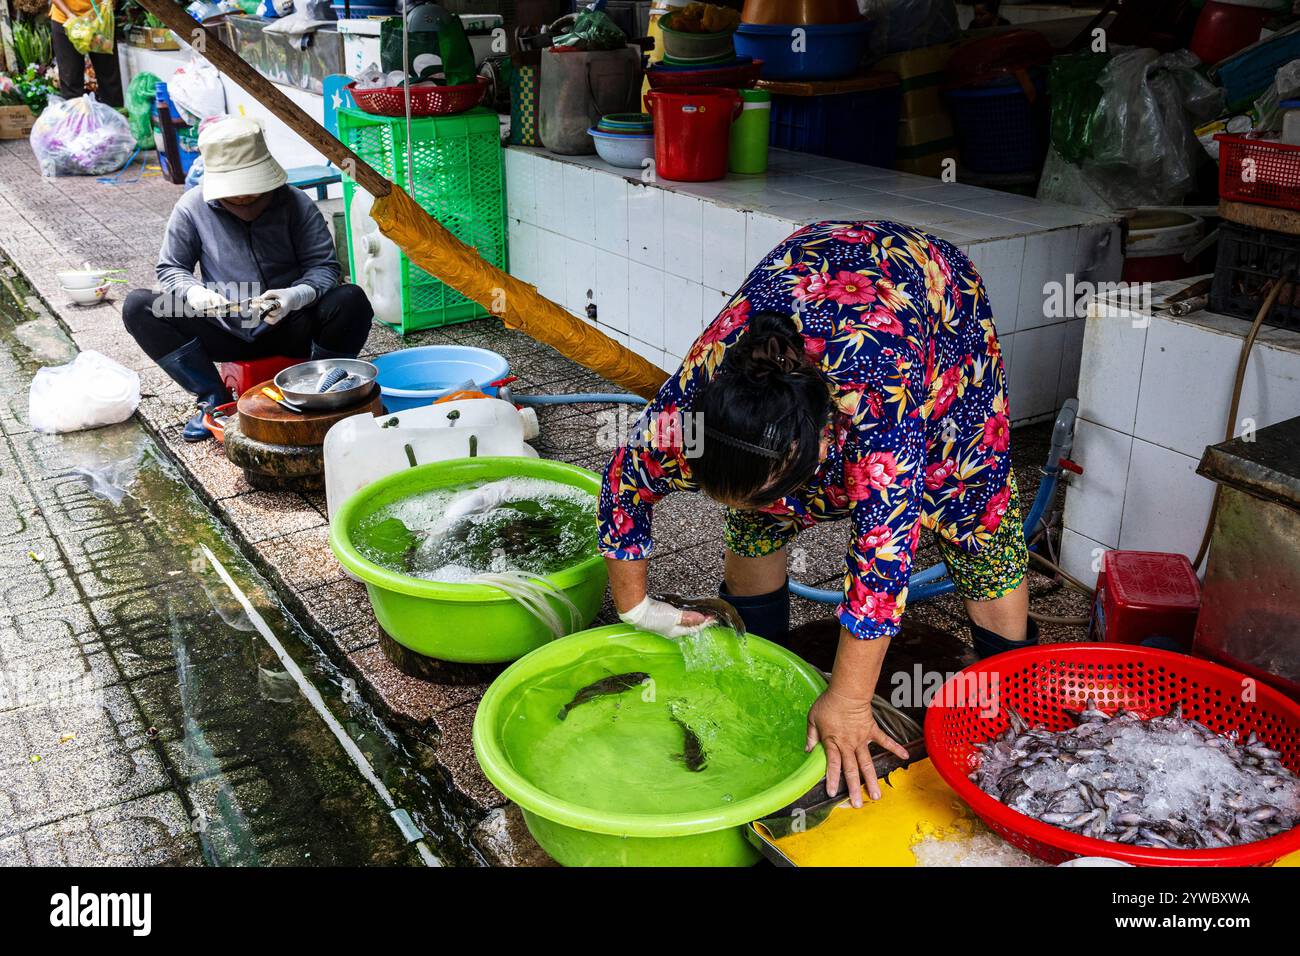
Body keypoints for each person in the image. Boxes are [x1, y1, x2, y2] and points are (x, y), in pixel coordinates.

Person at [598, 220, 1035, 809]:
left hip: (931, 301)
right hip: (805, 294)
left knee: (973, 506)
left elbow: (883, 565)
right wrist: (638, 608)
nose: (749, 509)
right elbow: (624, 483)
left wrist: (849, 701)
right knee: (756, 518)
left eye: (767, 492)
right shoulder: (694, 406)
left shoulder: (879, 415)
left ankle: (1018, 694)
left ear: (826, 446)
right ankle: (762, 665)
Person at [123, 116, 373, 441]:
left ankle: (319, 390)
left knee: (351, 299)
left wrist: (294, 297)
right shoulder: (192, 208)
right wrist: (196, 295)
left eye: (253, 192)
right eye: (234, 194)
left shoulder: (296, 204)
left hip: (291, 323)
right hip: (223, 327)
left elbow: (325, 268)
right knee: (139, 306)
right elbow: (171, 270)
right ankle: (213, 399)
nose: (243, 200)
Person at [49, 0, 124, 107]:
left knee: (109, 77)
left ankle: (115, 119)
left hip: (99, 20)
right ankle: (76, 120)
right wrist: (69, 15)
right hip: (66, 21)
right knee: (71, 78)